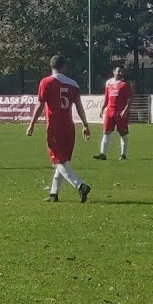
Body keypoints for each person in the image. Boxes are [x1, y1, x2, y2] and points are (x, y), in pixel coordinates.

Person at [27, 55, 92, 203]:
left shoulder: (46, 82)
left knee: (58, 161)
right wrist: (85, 125)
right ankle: (53, 193)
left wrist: (32, 124)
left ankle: (80, 185)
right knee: (63, 162)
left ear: (51, 66)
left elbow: (40, 105)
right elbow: (79, 107)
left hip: (55, 127)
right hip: (69, 127)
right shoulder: (73, 84)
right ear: (64, 66)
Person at [94, 67, 132, 161]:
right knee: (106, 132)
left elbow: (129, 98)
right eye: (118, 71)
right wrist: (102, 109)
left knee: (123, 133)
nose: (120, 73)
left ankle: (123, 155)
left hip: (120, 113)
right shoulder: (109, 85)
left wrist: (125, 110)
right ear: (114, 72)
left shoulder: (124, 85)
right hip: (109, 112)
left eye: (121, 72)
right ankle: (103, 154)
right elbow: (106, 99)